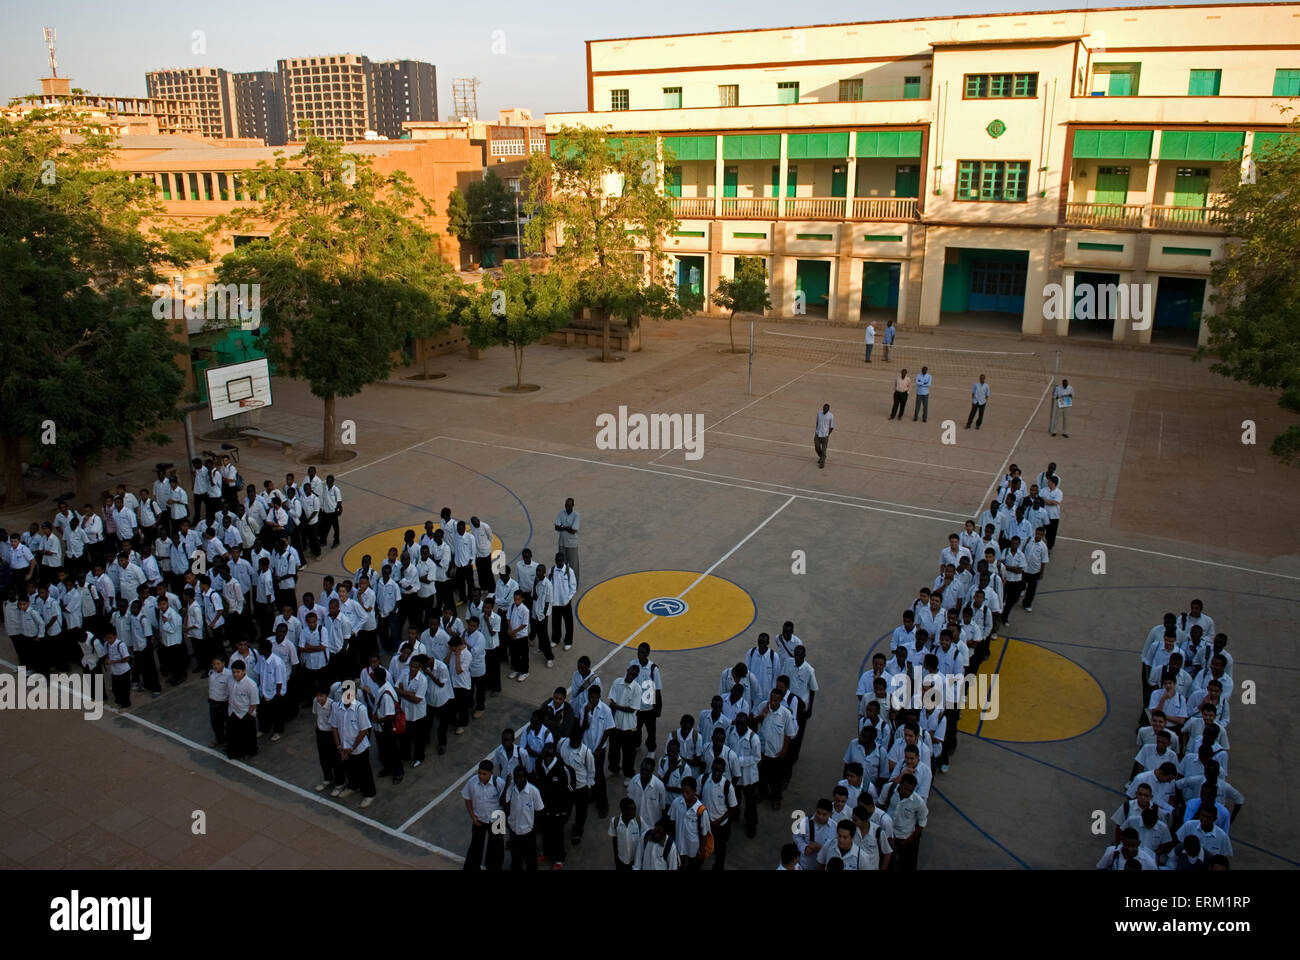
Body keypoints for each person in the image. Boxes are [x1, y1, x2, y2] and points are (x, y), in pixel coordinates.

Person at [332, 687, 377, 807]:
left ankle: (369, 794)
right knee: (350, 769)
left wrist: (352, 747)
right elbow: (334, 727)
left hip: (359, 748)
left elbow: (364, 730)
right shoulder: (337, 707)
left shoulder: (360, 709)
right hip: (344, 748)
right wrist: (339, 746)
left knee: (364, 772)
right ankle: (353, 786)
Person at [462, 760, 507, 871]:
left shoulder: (500, 783)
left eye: (484, 774)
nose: (481, 776)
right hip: (479, 819)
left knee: (496, 846)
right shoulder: (472, 782)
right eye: (479, 773)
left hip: (497, 819)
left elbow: (506, 800)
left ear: (491, 773)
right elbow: (467, 798)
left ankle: (494, 867)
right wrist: (473, 816)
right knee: (476, 845)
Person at [504, 765, 544, 870]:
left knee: (530, 860)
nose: (518, 780)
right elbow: (504, 803)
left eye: (521, 777)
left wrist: (533, 831)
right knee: (516, 859)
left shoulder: (534, 791)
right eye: (516, 777)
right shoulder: (511, 789)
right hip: (514, 831)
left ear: (526, 777)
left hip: (528, 833)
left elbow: (539, 811)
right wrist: (507, 785)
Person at [668, 777, 710, 871]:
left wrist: (702, 850)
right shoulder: (676, 803)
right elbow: (672, 821)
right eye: (682, 792)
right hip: (679, 844)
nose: (684, 795)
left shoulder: (701, 810)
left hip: (693, 847)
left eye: (687, 792)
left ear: (694, 791)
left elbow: (704, 832)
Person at [312, 683, 347, 795]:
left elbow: (337, 724)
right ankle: (328, 778)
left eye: (321, 696)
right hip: (320, 733)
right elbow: (316, 715)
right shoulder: (315, 702)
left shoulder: (333, 706)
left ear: (327, 696)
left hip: (331, 734)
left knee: (336, 760)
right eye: (318, 695)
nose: (319, 698)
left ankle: (340, 783)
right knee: (323, 758)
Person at [226, 659, 260, 760]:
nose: (235, 674)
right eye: (233, 672)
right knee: (234, 734)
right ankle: (236, 752)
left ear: (244, 671)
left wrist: (248, 715)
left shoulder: (251, 685)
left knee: (248, 736)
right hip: (233, 711)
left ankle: (250, 752)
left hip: (245, 714)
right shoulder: (230, 680)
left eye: (238, 672)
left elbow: (254, 702)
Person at [609, 797, 647, 871]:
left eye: (635, 808)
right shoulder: (615, 822)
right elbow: (614, 840)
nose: (635, 811)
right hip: (622, 859)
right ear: (624, 811)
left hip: (636, 861)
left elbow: (646, 836)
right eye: (632, 810)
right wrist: (616, 857)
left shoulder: (639, 821)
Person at [550, 553, 577, 652]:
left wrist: (568, 599)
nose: (558, 563)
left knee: (568, 623)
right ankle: (556, 639)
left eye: (560, 561)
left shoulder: (569, 571)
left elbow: (573, 587)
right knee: (555, 622)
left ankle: (568, 641)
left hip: (565, 603)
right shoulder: (551, 570)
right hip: (555, 602)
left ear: (563, 561)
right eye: (557, 561)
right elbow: (550, 584)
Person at [554, 498, 580, 583]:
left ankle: (574, 583)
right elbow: (556, 527)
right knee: (562, 564)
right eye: (566, 505)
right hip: (562, 543)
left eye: (569, 505)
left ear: (573, 505)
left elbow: (573, 530)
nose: (567, 507)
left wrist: (562, 526)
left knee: (573, 565)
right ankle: (563, 582)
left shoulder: (576, 515)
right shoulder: (561, 513)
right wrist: (567, 527)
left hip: (572, 545)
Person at [814, 403, 834, 469]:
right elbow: (817, 422)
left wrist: (828, 434)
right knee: (817, 447)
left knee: (824, 449)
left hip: (825, 435)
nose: (824, 409)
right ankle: (822, 457)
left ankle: (822, 463)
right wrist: (816, 430)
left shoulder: (831, 416)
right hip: (818, 434)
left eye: (825, 408)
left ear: (828, 409)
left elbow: (832, 427)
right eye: (823, 408)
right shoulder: (819, 413)